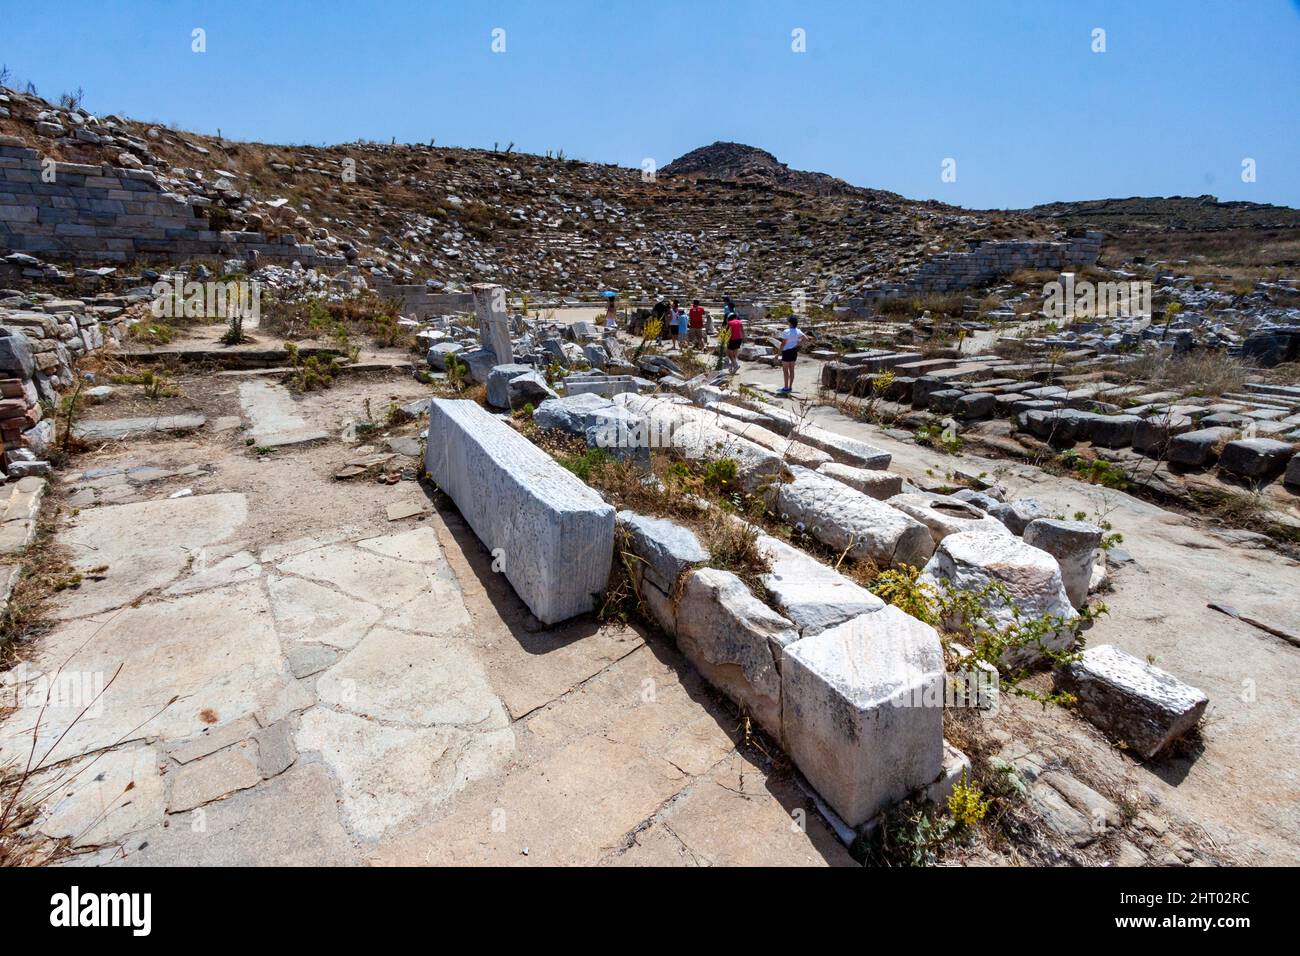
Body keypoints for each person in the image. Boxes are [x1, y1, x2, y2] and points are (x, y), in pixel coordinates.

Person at [777, 316, 812, 394]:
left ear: (790, 323)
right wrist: (799, 343)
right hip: (794, 351)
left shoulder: (786, 331)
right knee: (792, 370)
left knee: (785, 371)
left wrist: (778, 354)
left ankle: (786, 388)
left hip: (786, 352)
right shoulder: (798, 331)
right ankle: (790, 387)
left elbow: (783, 344)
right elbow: (806, 338)